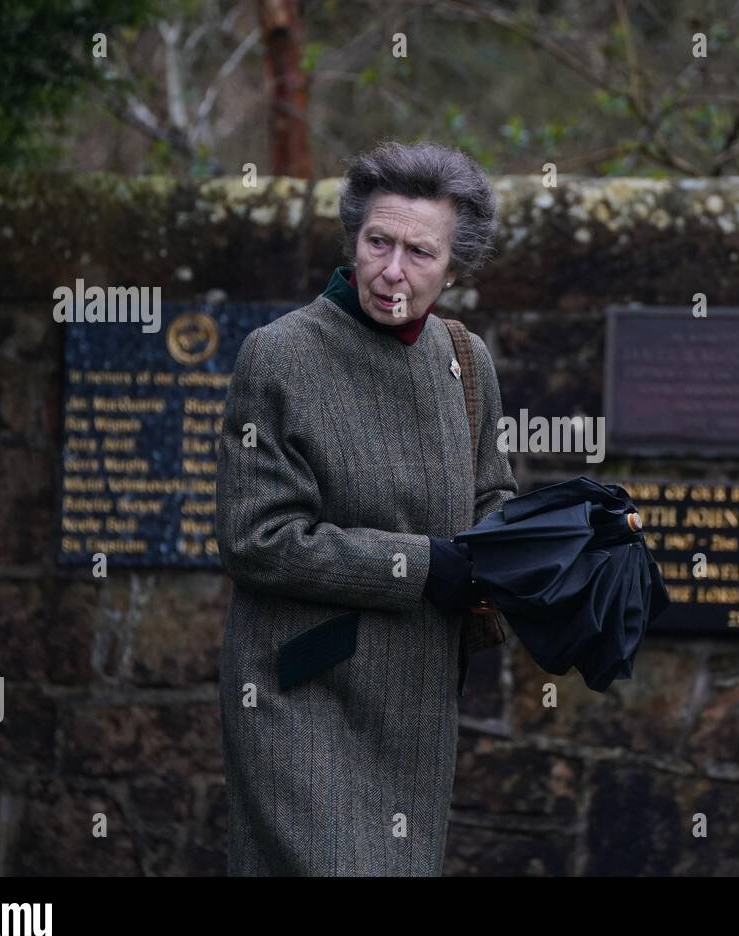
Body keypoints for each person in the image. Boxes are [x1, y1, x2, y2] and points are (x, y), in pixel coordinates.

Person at [215, 141, 517, 875]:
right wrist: (419, 565)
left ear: (454, 265)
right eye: (378, 241)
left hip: (415, 704)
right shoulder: (280, 354)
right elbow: (256, 537)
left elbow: (492, 498)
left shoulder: (464, 359)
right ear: (353, 236)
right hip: (304, 696)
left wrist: (544, 551)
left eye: (420, 252)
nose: (391, 271)